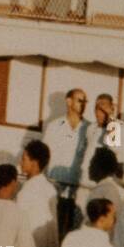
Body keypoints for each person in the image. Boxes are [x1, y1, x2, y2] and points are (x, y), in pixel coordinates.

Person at [42, 88, 90, 232]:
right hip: (55, 189)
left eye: (85, 101)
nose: (83, 104)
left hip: (77, 192)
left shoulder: (89, 128)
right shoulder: (54, 126)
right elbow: (44, 156)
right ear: (68, 102)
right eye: (79, 100)